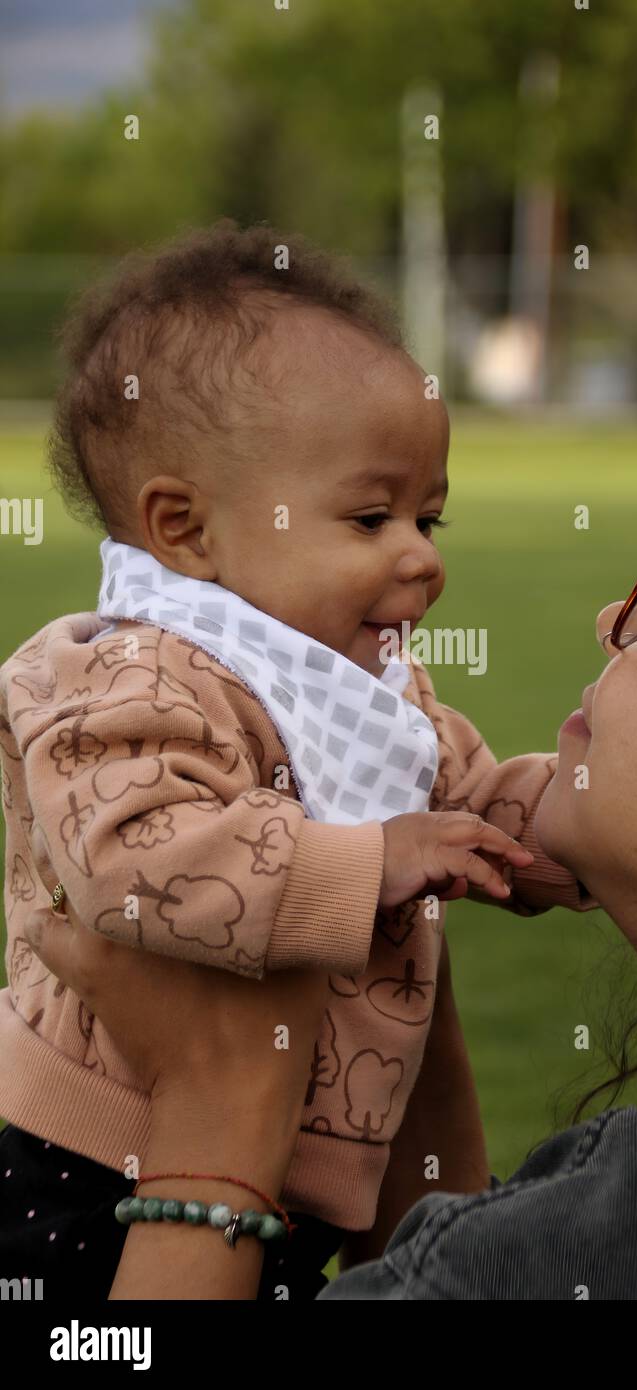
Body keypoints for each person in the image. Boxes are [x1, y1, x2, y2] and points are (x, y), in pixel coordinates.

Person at [13, 470, 637, 1300]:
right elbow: (431, 1253)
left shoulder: (598, 1256)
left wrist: (217, 1114)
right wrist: (396, 924)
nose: (618, 619)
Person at [0, 220, 588, 1300]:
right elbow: (137, 861)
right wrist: (371, 862)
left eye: (428, 516)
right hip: (93, 1170)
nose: (421, 556)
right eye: (370, 516)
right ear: (184, 528)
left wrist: (584, 825)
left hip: (294, 1186)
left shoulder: (363, 695)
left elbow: (465, 799)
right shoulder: (130, 683)